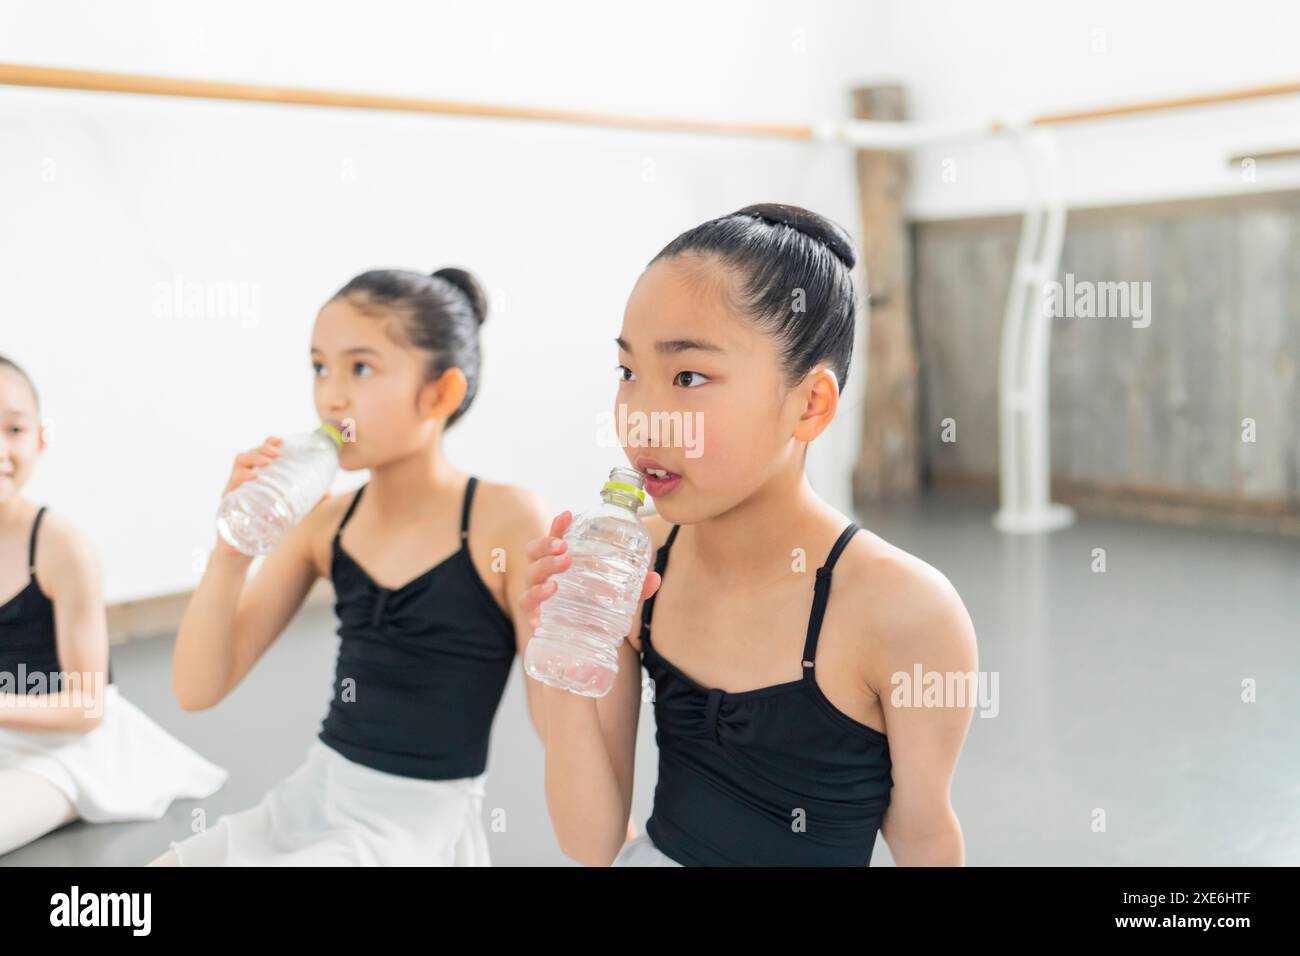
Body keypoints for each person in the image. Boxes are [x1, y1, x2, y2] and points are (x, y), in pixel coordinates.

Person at [523, 204, 978, 866]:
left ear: (810, 404)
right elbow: (591, 844)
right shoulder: (634, 565)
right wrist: (563, 647)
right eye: (628, 373)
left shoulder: (905, 610)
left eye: (689, 377)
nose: (643, 422)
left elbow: (923, 837)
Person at [150, 267, 550, 865]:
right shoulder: (324, 520)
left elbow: (557, 719)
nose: (331, 396)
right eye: (319, 367)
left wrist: (615, 836)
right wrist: (231, 554)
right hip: (314, 798)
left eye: (360, 368)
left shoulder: (505, 518)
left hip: (418, 826)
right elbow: (198, 688)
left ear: (439, 393)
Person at [0, 355, 227, 858]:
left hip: (63, 749)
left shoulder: (63, 549)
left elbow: (87, 705)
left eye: (13, 428)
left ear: (40, 439)